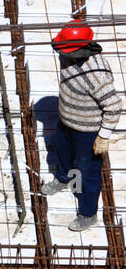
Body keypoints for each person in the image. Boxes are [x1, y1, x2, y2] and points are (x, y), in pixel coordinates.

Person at [41, 21, 122, 230]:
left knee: (87, 171)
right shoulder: (67, 54)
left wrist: (103, 136)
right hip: (67, 120)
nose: (62, 53)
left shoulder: (95, 75)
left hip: (88, 131)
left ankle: (88, 213)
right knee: (62, 153)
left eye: (66, 50)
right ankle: (63, 178)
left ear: (81, 49)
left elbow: (114, 105)